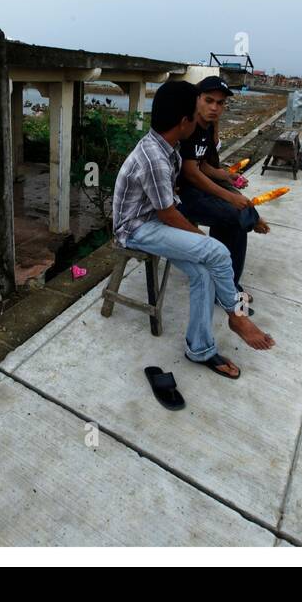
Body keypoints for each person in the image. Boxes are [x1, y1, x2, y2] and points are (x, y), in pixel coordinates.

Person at [112, 80, 275, 379]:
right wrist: (199, 239)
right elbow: (168, 214)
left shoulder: (168, 147)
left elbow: (174, 201)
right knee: (216, 251)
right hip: (136, 227)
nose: (206, 114)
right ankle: (236, 316)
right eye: (197, 112)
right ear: (185, 121)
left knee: (202, 272)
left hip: (155, 218)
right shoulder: (155, 158)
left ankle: (200, 349)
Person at [176, 75, 269, 303]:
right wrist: (228, 195)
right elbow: (191, 172)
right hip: (180, 195)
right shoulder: (188, 126)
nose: (215, 107)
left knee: (234, 215)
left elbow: (204, 165)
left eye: (220, 103)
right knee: (237, 218)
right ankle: (227, 289)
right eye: (209, 100)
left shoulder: (206, 128)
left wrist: (226, 175)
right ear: (197, 98)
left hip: (198, 189)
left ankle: (222, 279)